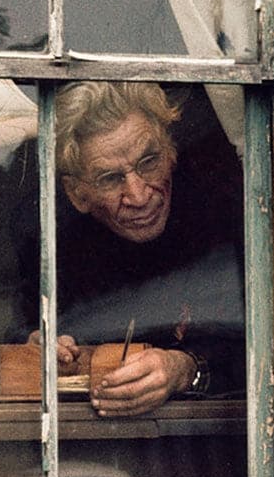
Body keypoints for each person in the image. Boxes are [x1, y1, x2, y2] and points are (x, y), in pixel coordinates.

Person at [13, 81, 244, 417]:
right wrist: (34, 344)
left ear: (170, 151)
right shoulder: (50, 239)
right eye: (110, 179)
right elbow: (21, 325)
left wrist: (186, 369)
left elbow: (268, 346)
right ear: (77, 193)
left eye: (149, 162)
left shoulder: (226, 210)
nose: (138, 196)